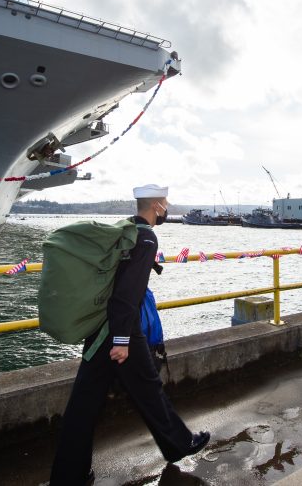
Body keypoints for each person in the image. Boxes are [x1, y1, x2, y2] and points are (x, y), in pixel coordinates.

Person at [50, 184, 210, 485]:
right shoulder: (146, 237)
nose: (168, 208)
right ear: (157, 207)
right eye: (166, 203)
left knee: (85, 404)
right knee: (147, 389)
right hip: (122, 329)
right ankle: (179, 443)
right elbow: (127, 293)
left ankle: (69, 475)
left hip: (101, 327)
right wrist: (122, 340)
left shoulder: (124, 232)